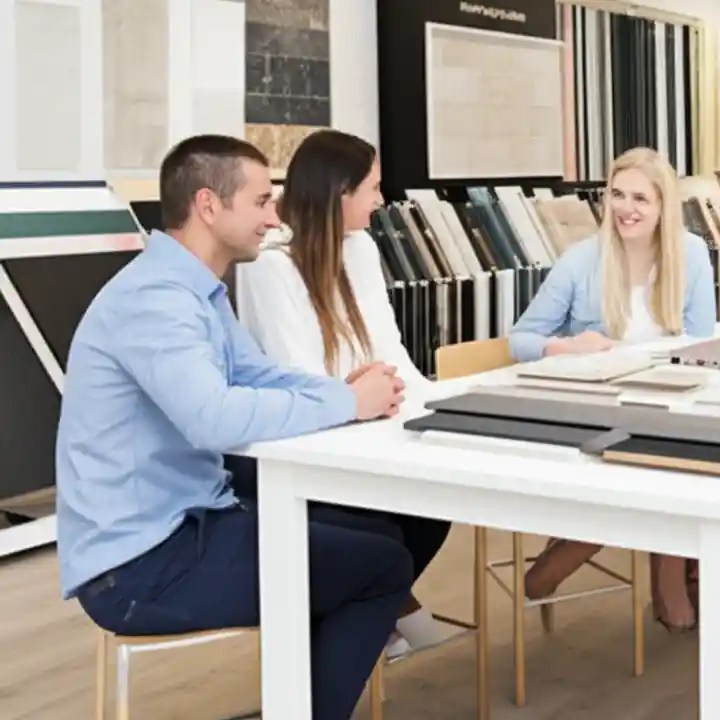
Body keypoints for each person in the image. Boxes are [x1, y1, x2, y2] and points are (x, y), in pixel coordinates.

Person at [56, 134, 411, 720]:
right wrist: (348, 405)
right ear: (208, 206)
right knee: (382, 567)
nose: (275, 218)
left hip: (190, 522)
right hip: (139, 567)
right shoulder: (156, 299)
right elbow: (213, 419)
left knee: (381, 531)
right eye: (263, 202)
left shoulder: (196, 291)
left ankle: (296, 699)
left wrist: (347, 393)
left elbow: (258, 375)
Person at [235, 128, 452, 657]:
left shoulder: (361, 247)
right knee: (378, 525)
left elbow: (390, 348)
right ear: (341, 194)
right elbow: (297, 375)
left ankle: (375, 615)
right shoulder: (269, 265)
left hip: (371, 419)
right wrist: (360, 398)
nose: (381, 200)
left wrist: (424, 401)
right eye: (373, 189)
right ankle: (376, 615)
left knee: (432, 509)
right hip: (309, 442)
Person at [506, 147, 716, 631]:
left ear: (664, 206)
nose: (626, 208)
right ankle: (671, 581)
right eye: (617, 195)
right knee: (662, 462)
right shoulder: (582, 261)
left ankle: (650, 567)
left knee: (681, 451)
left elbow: (702, 342)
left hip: (667, 403)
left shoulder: (692, 255)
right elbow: (521, 340)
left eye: (641, 198)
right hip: (595, 408)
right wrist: (569, 347)